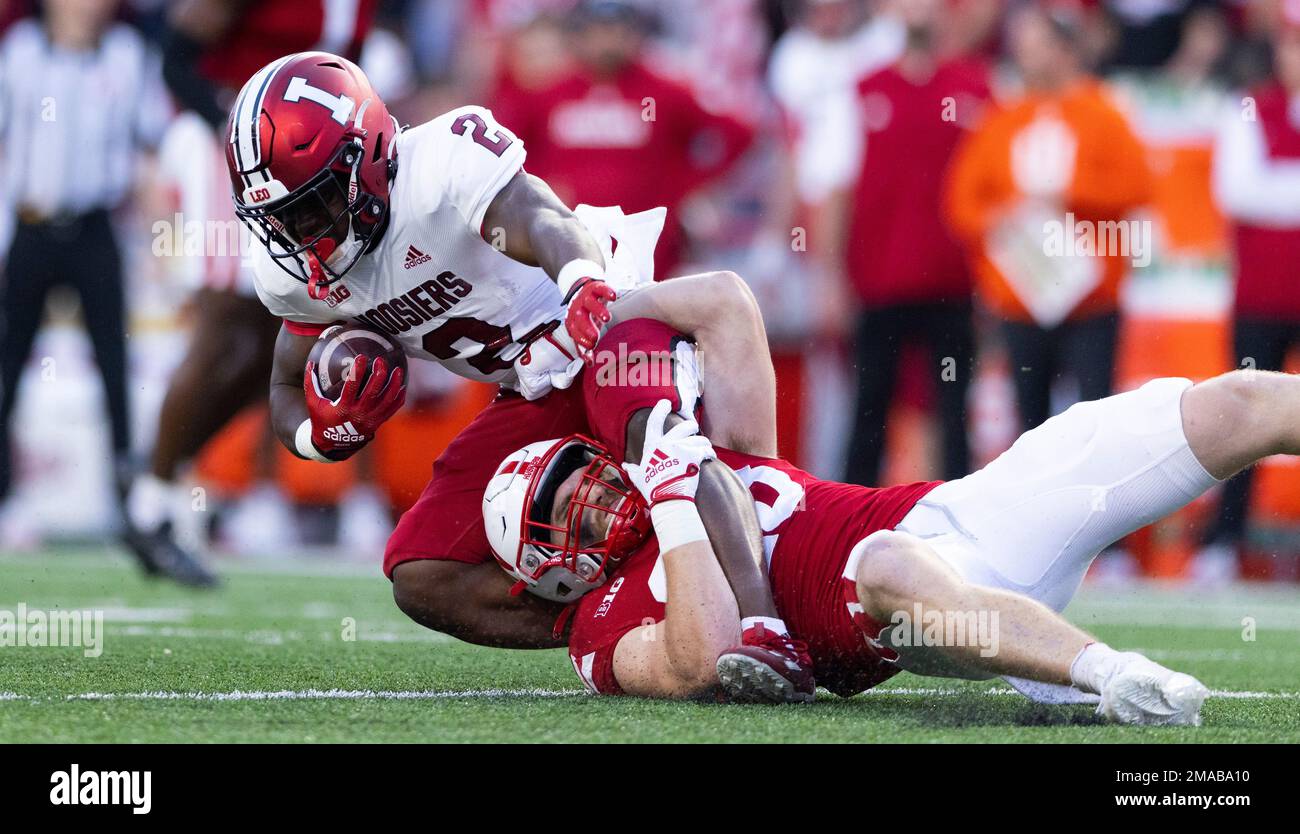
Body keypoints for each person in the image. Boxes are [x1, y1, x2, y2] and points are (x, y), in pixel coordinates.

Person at [226, 52, 812, 692]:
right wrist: (320, 436)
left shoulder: (442, 164)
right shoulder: (290, 270)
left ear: (365, 157)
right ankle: (621, 618)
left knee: (662, 447)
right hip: (527, 384)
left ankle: (769, 627)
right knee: (424, 574)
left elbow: (540, 219)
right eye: (280, 218)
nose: (298, 235)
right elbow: (284, 385)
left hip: (597, 323)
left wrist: (582, 280)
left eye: (312, 208)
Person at [489, 317, 1300, 724]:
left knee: (1235, 402)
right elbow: (702, 659)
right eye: (564, 509)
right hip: (907, 611)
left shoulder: (710, 456)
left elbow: (725, 305)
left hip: (971, 507)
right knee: (885, 563)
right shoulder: (598, 628)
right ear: (555, 564)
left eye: (579, 473)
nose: (590, 495)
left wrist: (595, 304)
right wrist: (671, 500)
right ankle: (1110, 676)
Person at [125, 0, 380, 585]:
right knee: (223, 326)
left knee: (275, 340)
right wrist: (229, 123)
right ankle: (149, 499)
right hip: (236, 151)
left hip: (303, 168)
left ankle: (159, 489)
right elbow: (177, 55)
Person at [0, 0, 169, 549]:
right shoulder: (20, 53)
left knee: (115, 367)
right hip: (31, 224)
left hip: (97, 229)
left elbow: (147, 153)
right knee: (9, 364)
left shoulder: (126, 56)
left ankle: (131, 506)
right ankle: (5, 499)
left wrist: (162, 244)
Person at [944, 2, 1153, 433]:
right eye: (1021, 45)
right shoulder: (1001, 119)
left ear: (1065, 50)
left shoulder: (1104, 113)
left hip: (1091, 298)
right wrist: (1000, 217)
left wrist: (1071, 195)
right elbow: (961, 202)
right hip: (1021, 298)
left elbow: (1137, 187)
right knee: (1029, 424)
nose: (1024, 55)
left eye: (1036, 45)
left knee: (1096, 421)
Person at [816, 0, 991, 486]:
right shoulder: (861, 90)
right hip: (879, 282)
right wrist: (828, 276)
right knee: (869, 406)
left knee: (954, 405)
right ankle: (853, 515)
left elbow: (997, 186)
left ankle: (958, 515)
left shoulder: (976, 87)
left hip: (954, 284)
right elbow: (837, 189)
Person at [490, 0, 755, 278]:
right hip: (569, 245)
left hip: (651, 250)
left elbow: (738, 131)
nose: (606, 42)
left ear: (634, 35)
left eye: (615, 31)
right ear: (578, 37)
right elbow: (505, 148)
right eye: (597, 31)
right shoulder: (547, 92)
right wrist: (540, 186)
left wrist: (688, 185)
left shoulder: (665, 90)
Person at [1202, 8, 1300, 568]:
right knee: (1244, 425)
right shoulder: (1246, 109)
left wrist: (1276, 187)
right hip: (1262, 299)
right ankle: (1220, 542)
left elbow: (1261, 190)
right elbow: (1238, 190)